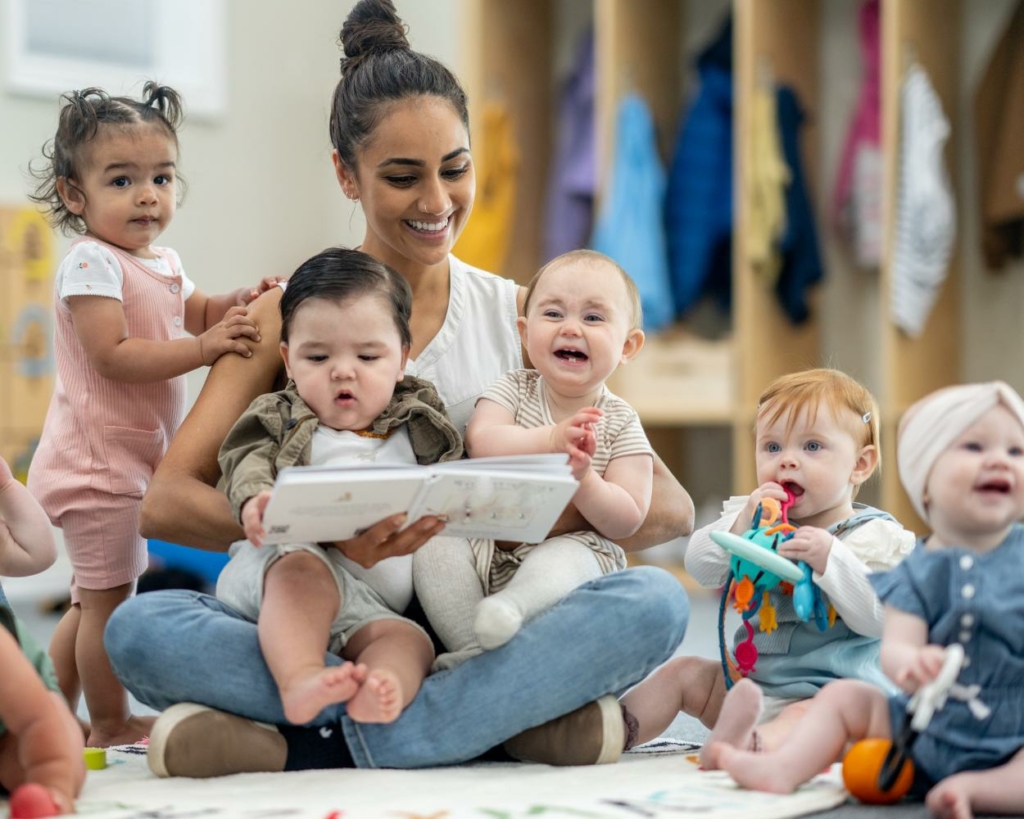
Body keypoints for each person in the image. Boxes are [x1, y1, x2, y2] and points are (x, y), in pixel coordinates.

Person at [105, 0, 694, 777]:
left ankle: (317, 740)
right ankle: (485, 723)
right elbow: (167, 502)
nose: (437, 202)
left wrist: (491, 519)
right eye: (403, 177)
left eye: (456, 168)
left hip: (483, 619)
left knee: (656, 603)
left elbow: (668, 509)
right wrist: (326, 534)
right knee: (140, 630)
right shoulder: (289, 314)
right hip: (324, 611)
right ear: (345, 174)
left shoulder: (527, 315)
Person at [26, 83, 272, 747]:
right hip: (98, 465)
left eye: (161, 178)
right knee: (109, 603)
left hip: (129, 458)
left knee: (92, 597)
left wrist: (243, 301)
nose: (147, 195)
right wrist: (203, 349)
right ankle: (109, 721)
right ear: (74, 195)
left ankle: (51, 712)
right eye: (122, 180)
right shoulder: (91, 262)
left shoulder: (161, 261)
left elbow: (200, 311)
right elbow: (112, 355)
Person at [714, 380, 1024, 819]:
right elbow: (895, 642)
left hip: (1014, 732)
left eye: (1016, 451)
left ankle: (977, 788)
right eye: (974, 447)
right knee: (843, 700)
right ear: (924, 478)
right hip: (922, 728)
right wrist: (911, 664)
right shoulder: (918, 566)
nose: (999, 460)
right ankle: (781, 769)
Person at [215, 247, 462, 728]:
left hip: (369, 606)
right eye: (317, 356)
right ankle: (301, 679)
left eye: (368, 356)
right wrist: (255, 501)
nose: (343, 371)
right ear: (288, 361)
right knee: (301, 569)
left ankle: (378, 692)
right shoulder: (280, 415)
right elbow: (245, 458)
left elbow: (454, 478)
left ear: (402, 359)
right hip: (284, 573)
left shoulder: (421, 421)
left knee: (410, 641)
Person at [621, 368, 915, 762]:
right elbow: (699, 566)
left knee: (802, 715)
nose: (787, 461)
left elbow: (881, 618)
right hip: (753, 688)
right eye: (772, 447)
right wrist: (743, 523)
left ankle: (749, 749)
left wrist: (831, 558)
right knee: (684, 673)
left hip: (833, 700)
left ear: (860, 464)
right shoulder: (756, 519)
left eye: (812, 446)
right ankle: (608, 730)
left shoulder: (874, 536)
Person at [414, 249, 653, 669]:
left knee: (566, 557)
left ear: (628, 346)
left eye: (593, 317)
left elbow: (628, 517)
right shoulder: (513, 387)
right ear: (524, 332)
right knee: (433, 543)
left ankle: (513, 608)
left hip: (568, 557)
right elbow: (482, 441)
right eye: (553, 314)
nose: (571, 328)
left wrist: (584, 480)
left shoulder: (620, 421)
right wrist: (552, 438)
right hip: (483, 541)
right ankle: (471, 650)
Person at [0, 456, 85, 816]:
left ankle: (51, 786)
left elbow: (39, 552)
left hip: (19, 709)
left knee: (45, 753)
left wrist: (6, 487)